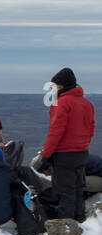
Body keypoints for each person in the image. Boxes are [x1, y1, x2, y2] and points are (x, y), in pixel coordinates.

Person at [41, 67, 96, 222]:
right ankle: (79, 222)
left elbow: (55, 132)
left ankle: (66, 229)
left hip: (64, 155)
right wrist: (82, 145)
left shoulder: (61, 103)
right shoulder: (87, 104)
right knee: (78, 189)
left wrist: (46, 155)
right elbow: (91, 129)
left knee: (65, 192)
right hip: (82, 153)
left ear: (61, 86)